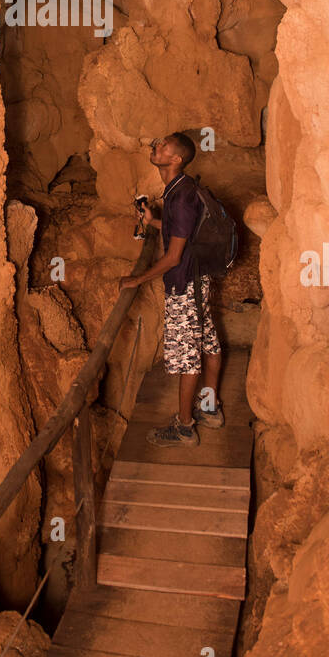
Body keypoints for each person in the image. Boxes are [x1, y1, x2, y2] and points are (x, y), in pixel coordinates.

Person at [119, 132, 224, 446]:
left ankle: (184, 427)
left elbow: (174, 255)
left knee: (188, 357)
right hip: (199, 279)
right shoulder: (183, 189)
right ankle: (210, 409)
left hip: (184, 285)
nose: (155, 146)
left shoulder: (179, 196)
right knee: (209, 342)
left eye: (163, 146)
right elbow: (183, 234)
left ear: (176, 159)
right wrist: (153, 222)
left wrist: (136, 280)